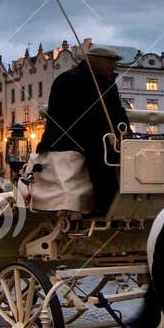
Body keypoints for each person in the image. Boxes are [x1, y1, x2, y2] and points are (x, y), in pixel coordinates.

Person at [37, 44, 128, 215]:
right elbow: (70, 116)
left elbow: (117, 112)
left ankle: (123, 203)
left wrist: (124, 134)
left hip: (96, 137)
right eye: (110, 62)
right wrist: (105, 134)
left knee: (126, 152)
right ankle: (104, 209)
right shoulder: (68, 80)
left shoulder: (108, 83)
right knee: (103, 155)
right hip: (67, 138)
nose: (114, 67)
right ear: (96, 61)